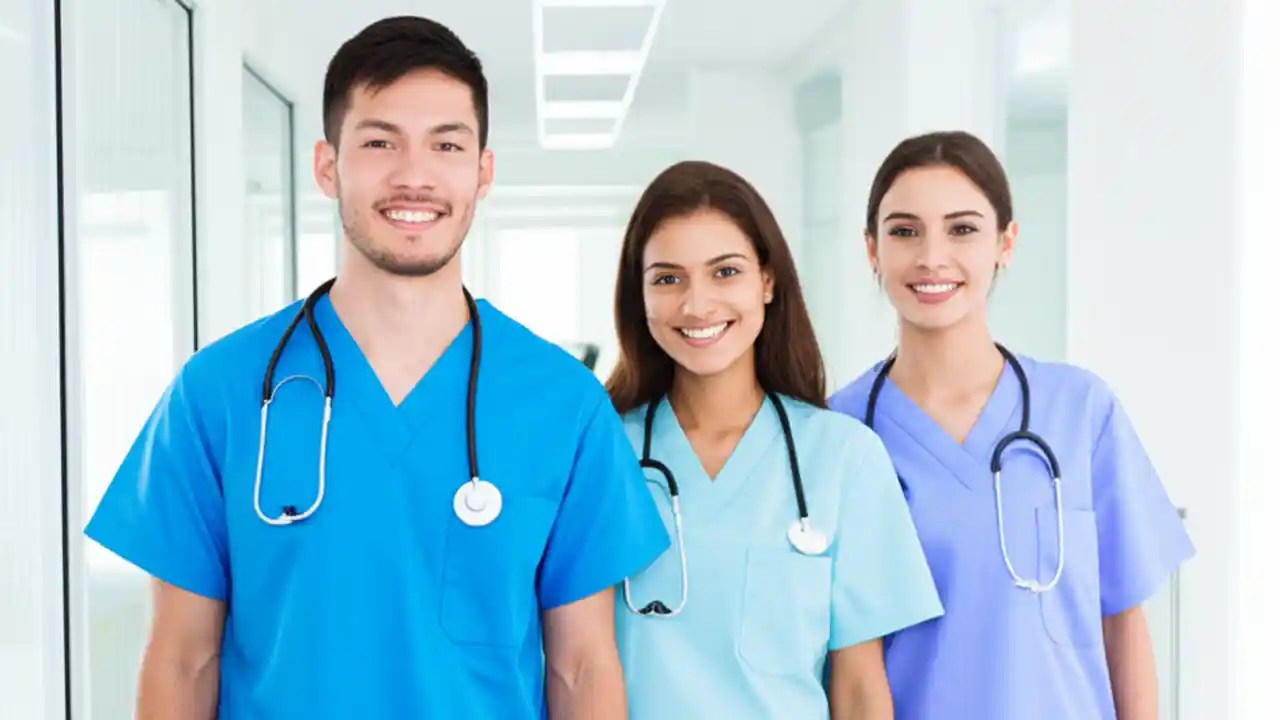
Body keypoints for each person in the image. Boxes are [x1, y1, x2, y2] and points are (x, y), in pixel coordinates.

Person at [84, 16, 668, 720]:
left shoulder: (561, 404)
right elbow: (183, 659)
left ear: (483, 170)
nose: (414, 175)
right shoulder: (220, 395)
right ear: (328, 166)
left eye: (446, 144)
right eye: (379, 142)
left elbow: (582, 668)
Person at [827, 130, 1195, 720]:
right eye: (904, 231)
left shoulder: (1080, 411)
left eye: (962, 229)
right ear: (872, 249)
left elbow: (1122, 620)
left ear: (1006, 242)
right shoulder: (837, 432)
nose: (931, 256)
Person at [605, 160, 943, 719]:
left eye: (725, 272)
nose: (697, 304)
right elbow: (572, 662)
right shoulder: (603, 453)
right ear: (639, 297)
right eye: (668, 278)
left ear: (767, 280)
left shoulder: (842, 457)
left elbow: (859, 687)